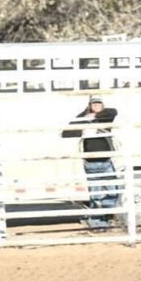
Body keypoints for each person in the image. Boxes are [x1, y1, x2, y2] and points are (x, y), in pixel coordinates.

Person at [61, 96, 119, 226]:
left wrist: (94, 116)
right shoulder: (84, 119)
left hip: (105, 160)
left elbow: (114, 111)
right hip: (91, 162)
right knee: (95, 194)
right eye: (94, 104)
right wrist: (85, 115)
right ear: (89, 105)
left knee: (114, 192)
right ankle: (98, 222)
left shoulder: (105, 116)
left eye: (99, 103)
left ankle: (101, 214)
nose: (96, 105)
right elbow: (66, 132)